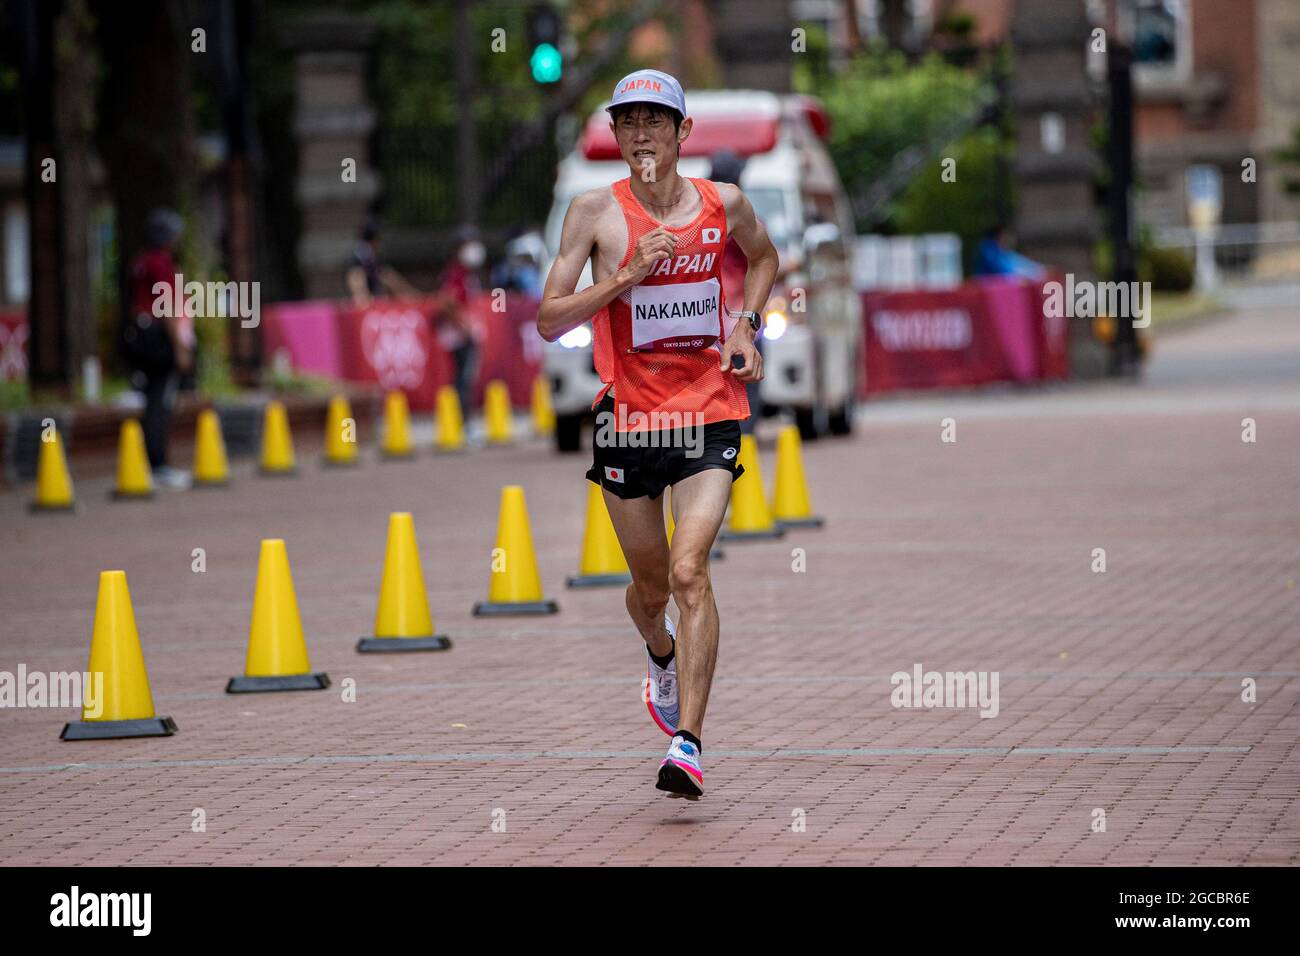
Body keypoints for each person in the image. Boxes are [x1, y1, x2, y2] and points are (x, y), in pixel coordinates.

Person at [536, 69, 779, 799]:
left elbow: (764, 259)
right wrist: (624, 277)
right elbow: (549, 318)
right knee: (647, 590)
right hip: (631, 420)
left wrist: (746, 323)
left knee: (687, 572)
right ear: (616, 136)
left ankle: (690, 743)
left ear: (683, 135)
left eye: (655, 121)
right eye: (628, 122)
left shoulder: (723, 204)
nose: (641, 134)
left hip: (710, 408)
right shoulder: (591, 213)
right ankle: (660, 651)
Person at [123, 208, 195, 490]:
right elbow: (167, 307)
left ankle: (146, 462)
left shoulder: (139, 262)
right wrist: (180, 348)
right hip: (158, 340)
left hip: (139, 337)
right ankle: (158, 465)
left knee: (149, 399)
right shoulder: (161, 263)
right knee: (160, 403)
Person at [709, 149, 764, 435]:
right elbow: (764, 261)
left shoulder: (697, 210)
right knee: (747, 391)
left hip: (704, 322)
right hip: (740, 319)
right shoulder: (742, 214)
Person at [435, 227, 485, 415]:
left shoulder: (467, 273)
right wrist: (464, 327)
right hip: (459, 336)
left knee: (465, 378)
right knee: (463, 379)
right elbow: (447, 302)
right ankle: (463, 421)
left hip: (464, 332)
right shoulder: (456, 273)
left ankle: (461, 420)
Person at [346, 220, 420, 307]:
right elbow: (356, 276)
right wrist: (363, 298)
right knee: (359, 275)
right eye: (379, 239)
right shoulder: (362, 255)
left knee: (386, 275)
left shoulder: (369, 254)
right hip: (365, 298)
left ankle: (411, 296)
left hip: (373, 293)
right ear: (374, 240)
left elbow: (386, 275)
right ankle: (412, 296)